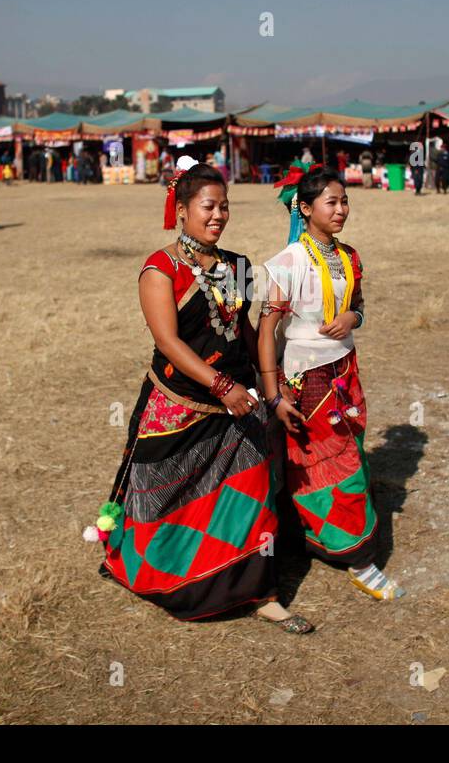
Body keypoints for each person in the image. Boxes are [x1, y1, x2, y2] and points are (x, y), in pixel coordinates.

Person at [90, 158, 310, 632]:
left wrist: (269, 389)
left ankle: (260, 592)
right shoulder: (159, 268)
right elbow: (168, 341)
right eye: (208, 206)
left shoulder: (239, 265)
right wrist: (221, 386)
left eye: (225, 206)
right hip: (181, 403)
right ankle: (156, 569)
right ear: (182, 209)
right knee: (164, 499)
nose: (218, 215)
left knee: (252, 492)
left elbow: (248, 331)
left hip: (239, 402)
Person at [260, 166, 401, 602]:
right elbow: (267, 331)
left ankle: (316, 538)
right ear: (305, 208)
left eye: (344, 201)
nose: (341, 210)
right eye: (331, 202)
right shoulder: (287, 263)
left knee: (345, 454)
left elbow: (358, 306)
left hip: (344, 372)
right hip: (306, 381)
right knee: (335, 468)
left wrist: (350, 319)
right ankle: (358, 557)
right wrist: (272, 392)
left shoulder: (350, 256)